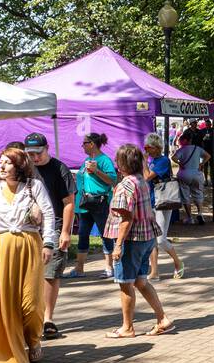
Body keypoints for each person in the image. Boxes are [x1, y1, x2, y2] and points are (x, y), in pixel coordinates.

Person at [0, 147, 56, 363]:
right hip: (0, 249)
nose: (2, 166)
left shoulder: (35, 187)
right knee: (4, 302)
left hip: (30, 246)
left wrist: (49, 243)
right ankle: (11, 349)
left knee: (30, 303)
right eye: (0, 162)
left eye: (8, 163)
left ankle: (33, 339)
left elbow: (49, 214)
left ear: (19, 165)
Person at [104, 145, 176, 338]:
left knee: (125, 283)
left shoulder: (126, 185)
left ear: (122, 163)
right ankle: (163, 319)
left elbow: (126, 219)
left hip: (132, 240)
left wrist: (118, 245)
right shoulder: (141, 181)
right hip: (146, 237)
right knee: (141, 281)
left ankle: (127, 327)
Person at [23, 133, 75, 339]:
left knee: (50, 274)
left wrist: (65, 232)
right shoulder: (24, 168)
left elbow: (69, 202)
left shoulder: (59, 168)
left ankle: (47, 319)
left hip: (55, 227)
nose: (35, 158)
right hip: (29, 227)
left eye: (38, 153)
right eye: (30, 154)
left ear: (47, 148)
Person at [69, 132, 117, 278]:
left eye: (84, 143)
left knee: (105, 234)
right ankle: (79, 268)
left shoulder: (104, 160)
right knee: (83, 234)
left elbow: (112, 180)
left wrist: (96, 171)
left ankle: (110, 268)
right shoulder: (87, 160)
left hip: (100, 202)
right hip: (85, 203)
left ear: (91, 144)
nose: (82, 146)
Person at [143, 133, 185, 280]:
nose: (147, 150)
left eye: (149, 147)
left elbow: (147, 176)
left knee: (160, 239)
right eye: (145, 147)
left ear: (157, 147)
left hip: (163, 202)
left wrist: (143, 162)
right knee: (152, 238)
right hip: (151, 201)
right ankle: (154, 271)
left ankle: (178, 262)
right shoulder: (151, 161)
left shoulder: (162, 161)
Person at [173, 127, 210, 225]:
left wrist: (180, 164)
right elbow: (208, 156)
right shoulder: (197, 149)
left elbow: (173, 157)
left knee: (185, 196)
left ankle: (190, 218)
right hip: (197, 174)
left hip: (184, 174)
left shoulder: (182, 149)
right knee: (198, 194)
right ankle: (200, 214)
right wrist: (201, 164)